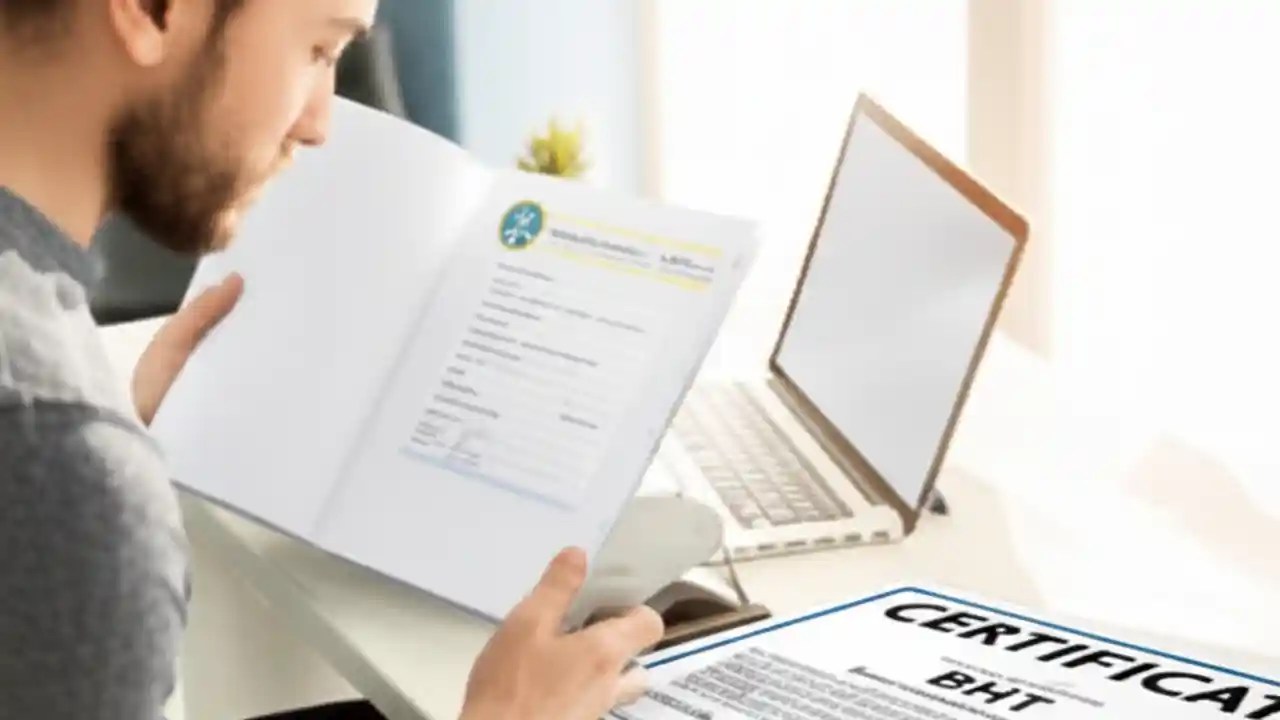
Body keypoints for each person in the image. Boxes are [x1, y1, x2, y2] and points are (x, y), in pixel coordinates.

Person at [0, 0, 664, 718]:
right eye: (318, 50)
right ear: (149, 11)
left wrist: (121, 439)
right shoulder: (60, 472)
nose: (319, 124)